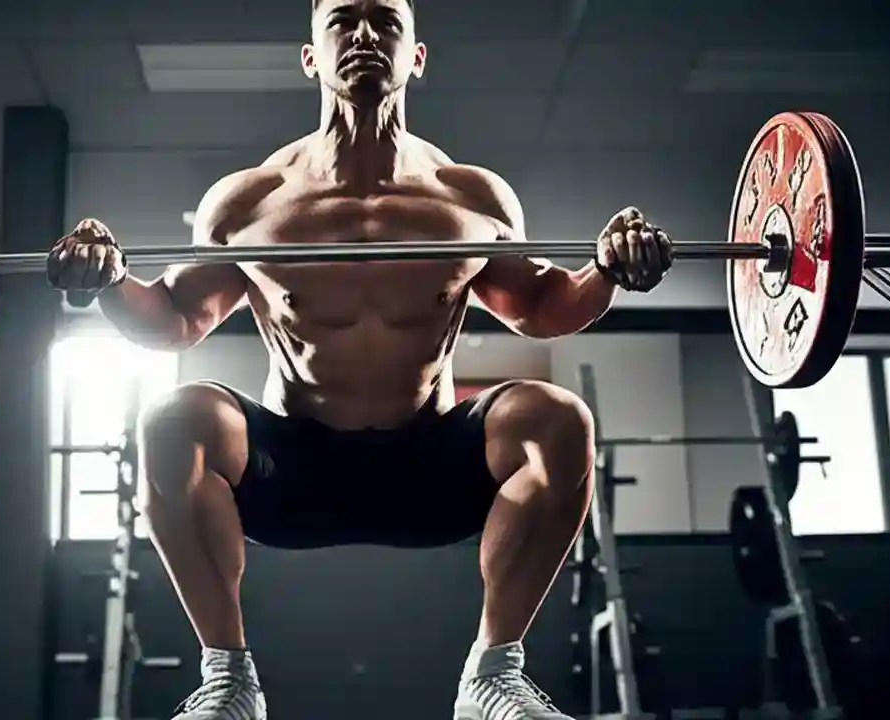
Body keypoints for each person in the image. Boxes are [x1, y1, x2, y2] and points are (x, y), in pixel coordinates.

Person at [46, 0, 673, 717]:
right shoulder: (250, 202)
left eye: (387, 22)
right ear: (310, 55)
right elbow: (177, 320)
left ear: (418, 56)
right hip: (291, 470)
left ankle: (493, 675)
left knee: (558, 418)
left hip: (431, 468)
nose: (366, 36)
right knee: (171, 419)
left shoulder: (472, 198)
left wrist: (608, 271)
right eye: (344, 20)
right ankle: (228, 682)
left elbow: (541, 308)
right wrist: (108, 282)